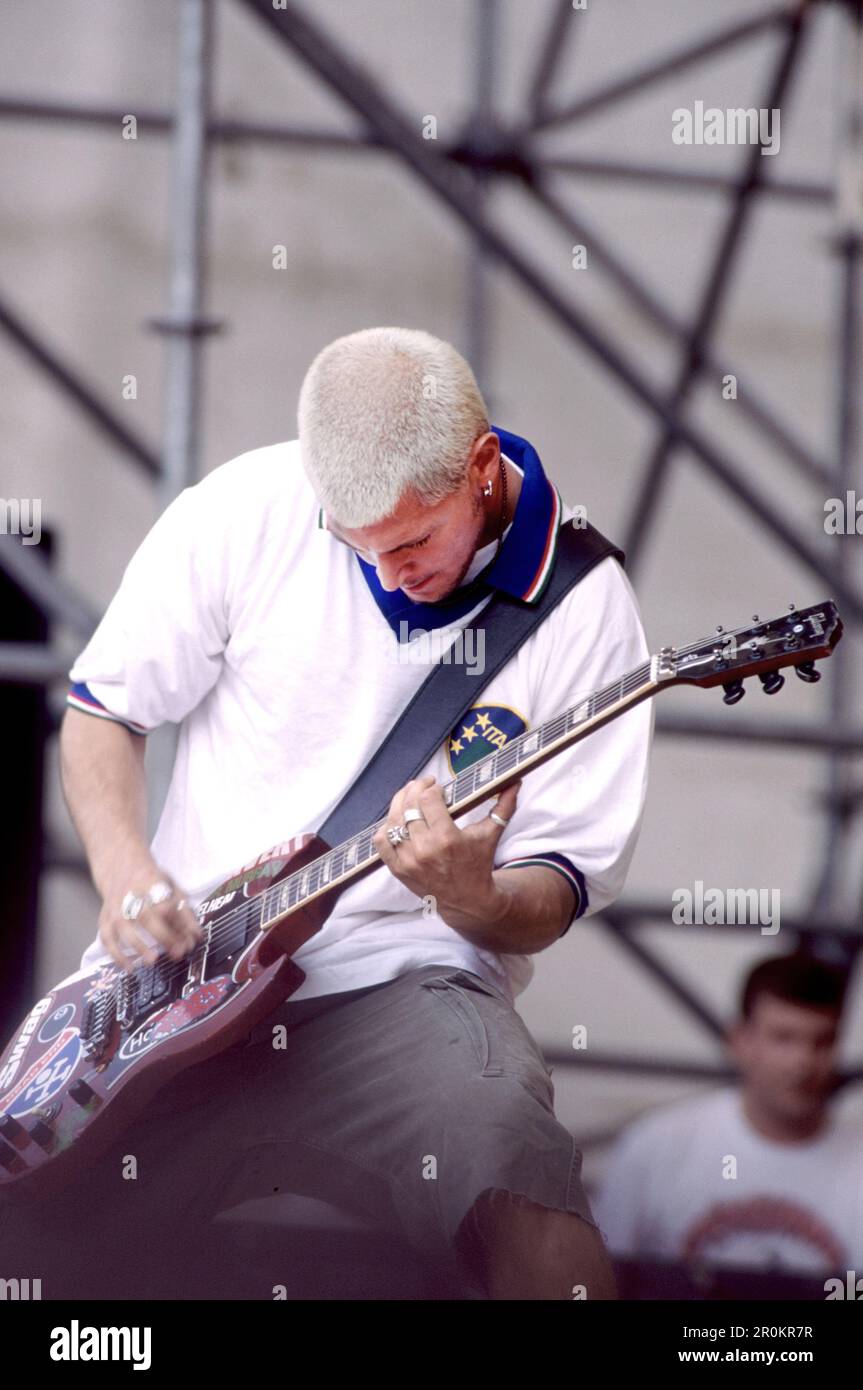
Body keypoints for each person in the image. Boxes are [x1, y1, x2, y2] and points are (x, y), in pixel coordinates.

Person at [0, 326, 653, 1299]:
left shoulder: (586, 607)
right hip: (184, 986)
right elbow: (103, 713)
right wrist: (124, 872)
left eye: (410, 540)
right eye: (355, 548)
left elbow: (551, 892)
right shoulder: (242, 507)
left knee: (519, 1179)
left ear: (479, 468)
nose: (387, 576)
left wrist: (468, 892)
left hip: (401, 980)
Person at [593, 952, 863, 1280]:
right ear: (739, 1040)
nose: (803, 1061)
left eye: (822, 1041)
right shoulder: (655, 1146)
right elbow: (601, 1278)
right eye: (784, 1038)